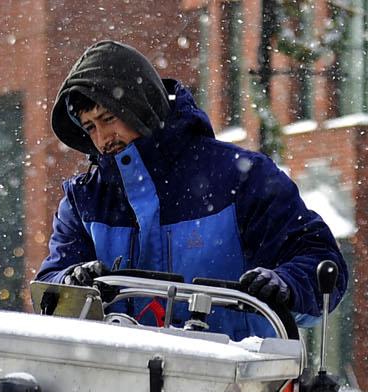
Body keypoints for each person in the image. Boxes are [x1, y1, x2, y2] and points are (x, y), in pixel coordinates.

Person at [36, 41, 347, 338]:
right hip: (116, 385)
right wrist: (69, 282)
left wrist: (286, 285)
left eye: (109, 118)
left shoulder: (242, 179)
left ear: (142, 107)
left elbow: (320, 261)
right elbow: (50, 286)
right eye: (90, 127)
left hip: (238, 383)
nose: (103, 138)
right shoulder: (83, 201)